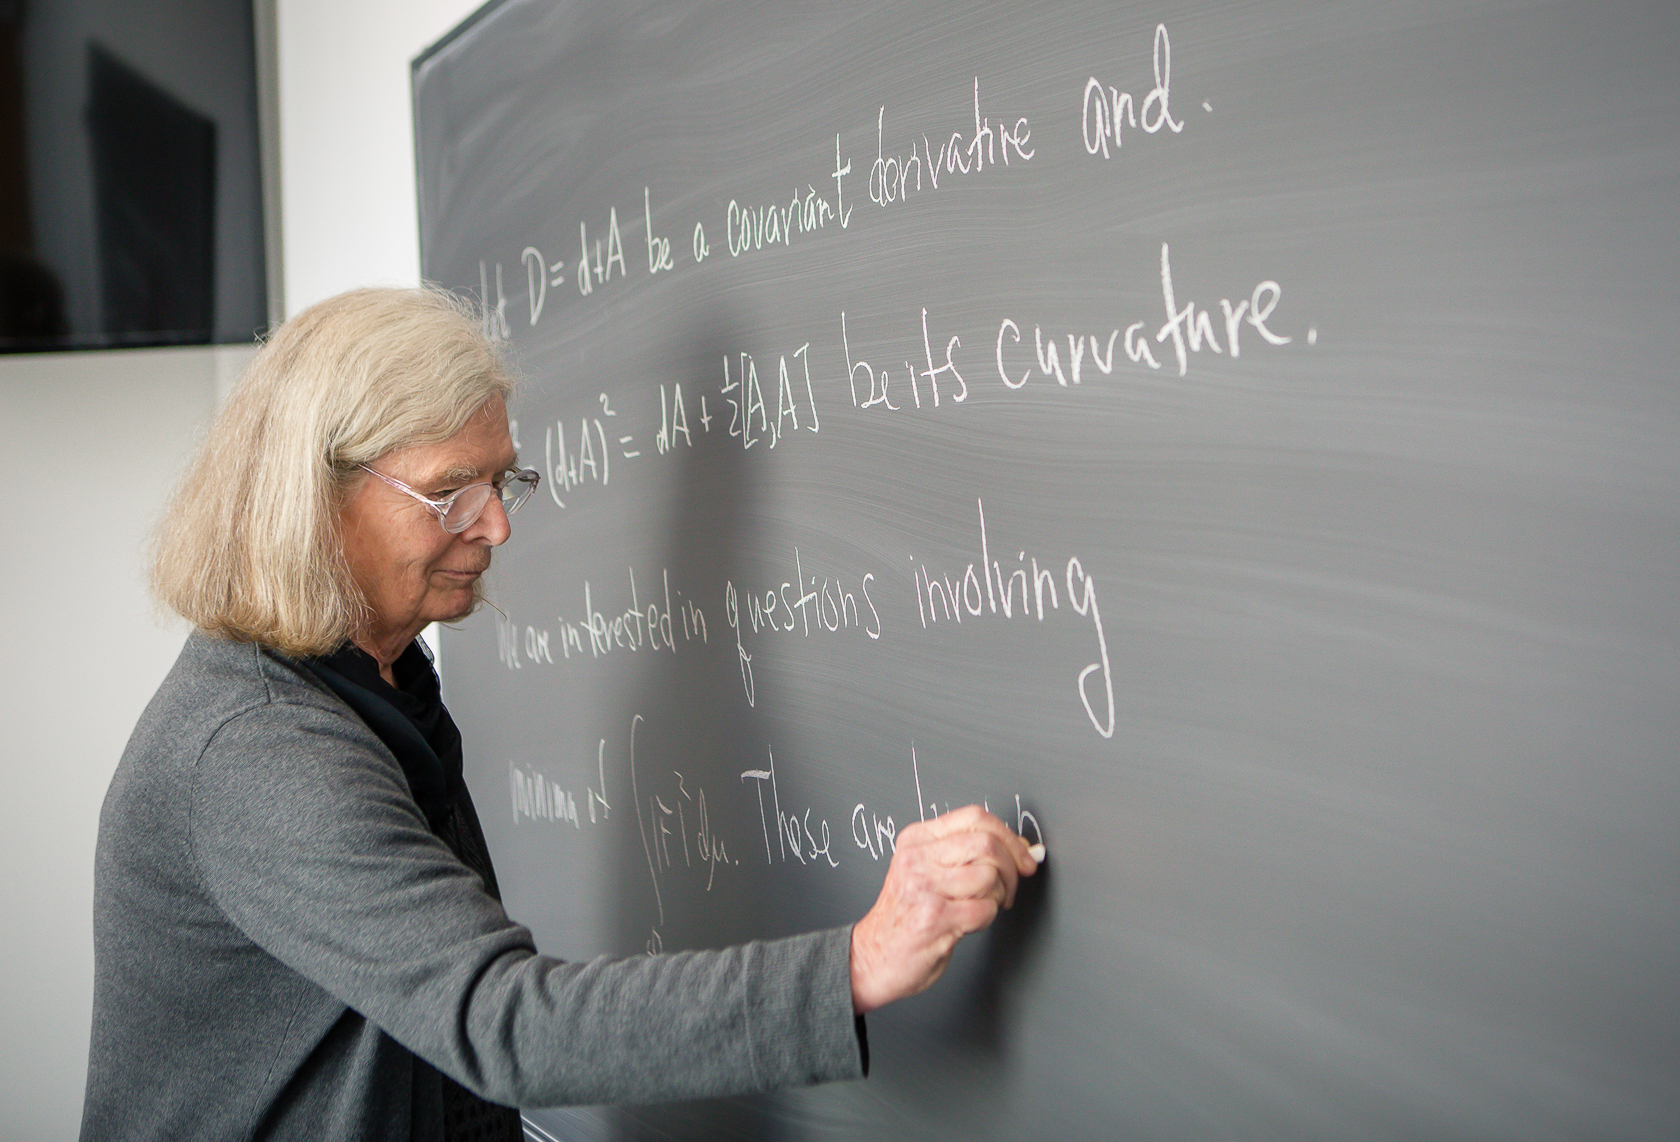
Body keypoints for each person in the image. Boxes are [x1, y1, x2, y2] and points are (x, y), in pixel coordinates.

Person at [80, 287, 1039, 1140]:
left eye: (501, 483)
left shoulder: (372, 685)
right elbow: (505, 1024)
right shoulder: (258, 752)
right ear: (315, 502)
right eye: (451, 492)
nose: (495, 525)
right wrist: (858, 964)